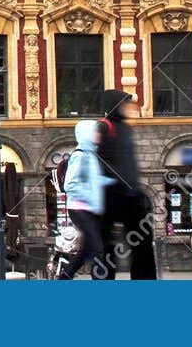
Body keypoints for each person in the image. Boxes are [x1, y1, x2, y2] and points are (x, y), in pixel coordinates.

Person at [96, 90, 157, 279]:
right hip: (110, 194)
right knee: (107, 245)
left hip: (130, 194)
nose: (129, 108)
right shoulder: (103, 127)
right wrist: (115, 179)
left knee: (143, 240)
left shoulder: (126, 129)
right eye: (125, 104)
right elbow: (97, 159)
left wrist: (135, 188)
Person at [58, 119, 106, 279]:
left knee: (87, 249)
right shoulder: (80, 156)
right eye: (96, 132)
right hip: (79, 209)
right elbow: (69, 185)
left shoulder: (90, 154)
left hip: (89, 209)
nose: (99, 135)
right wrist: (91, 198)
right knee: (98, 249)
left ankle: (64, 277)